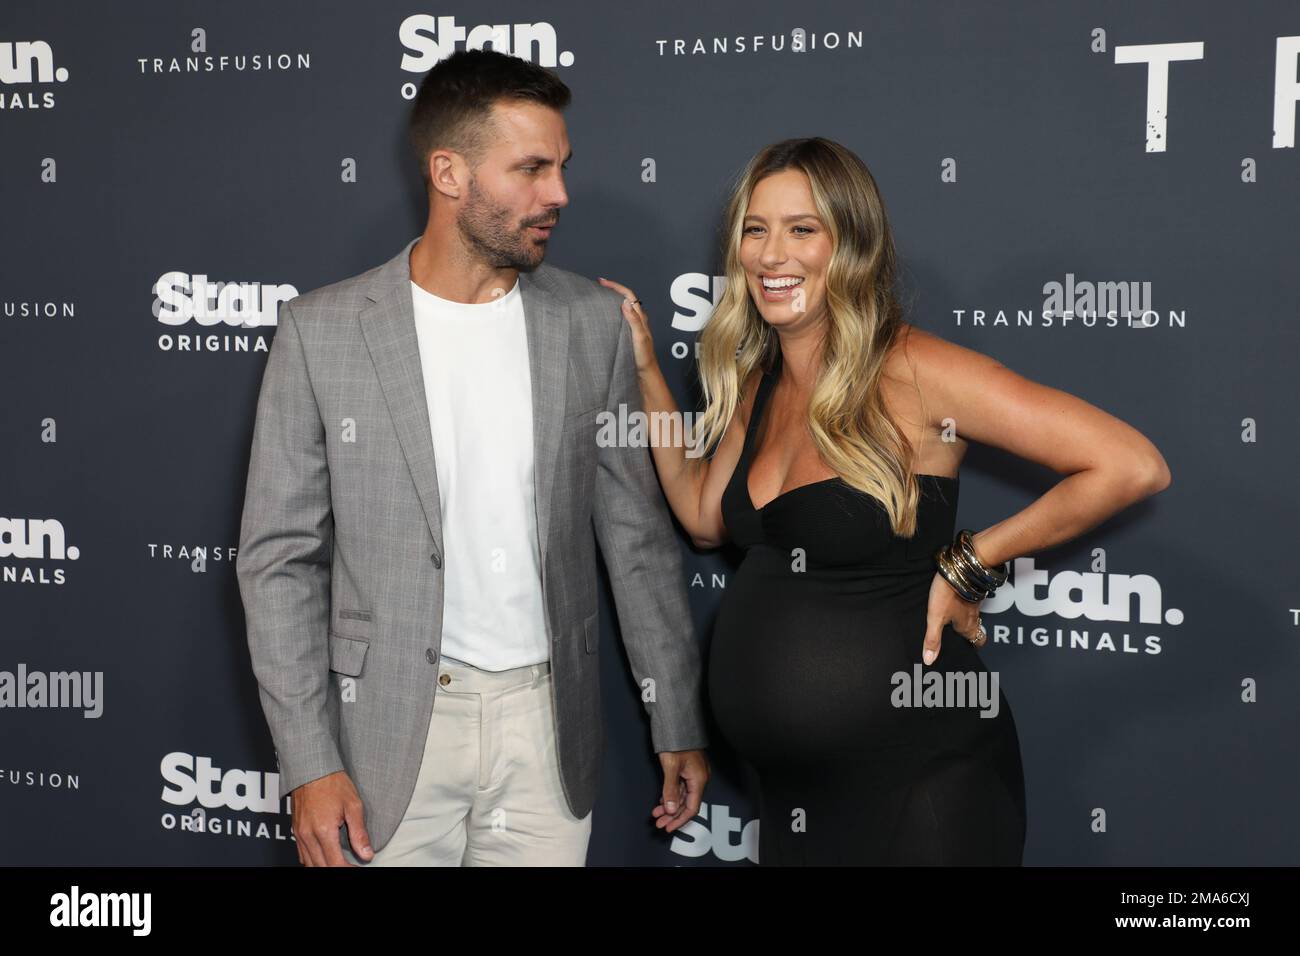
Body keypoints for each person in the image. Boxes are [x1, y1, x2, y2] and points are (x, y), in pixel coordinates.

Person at [603, 136, 1171, 865]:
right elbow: (703, 519)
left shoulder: (915, 369)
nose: (771, 255)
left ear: (853, 244)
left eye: (802, 229)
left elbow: (1129, 465)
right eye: (756, 229)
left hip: (925, 788)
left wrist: (972, 562)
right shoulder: (759, 381)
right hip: (796, 805)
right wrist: (647, 373)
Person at [235, 48, 709, 867]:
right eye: (530, 169)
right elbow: (278, 560)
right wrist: (310, 762)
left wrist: (675, 717)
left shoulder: (590, 324)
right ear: (448, 172)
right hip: (384, 734)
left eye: (561, 168)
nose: (558, 193)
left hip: (546, 732)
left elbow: (633, 541)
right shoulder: (323, 330)